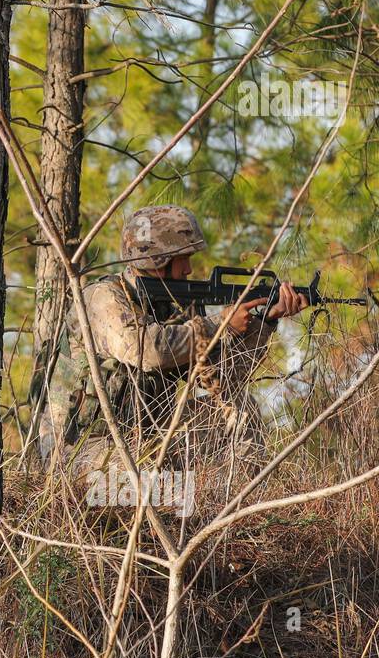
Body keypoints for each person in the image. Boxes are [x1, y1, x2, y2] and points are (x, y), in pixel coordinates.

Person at [39, 204, 309, 476]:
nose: (189, 269)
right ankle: (177, 503)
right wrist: (220, 323)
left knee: (240, 408)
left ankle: (240, 508)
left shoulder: (174, 308)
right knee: (138, 472)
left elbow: (223, 379)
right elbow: (146, 349)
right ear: (160, 259)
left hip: (146, 437)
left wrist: (263, 324)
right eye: (184, 257)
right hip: (77, 449)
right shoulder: (103, 297)